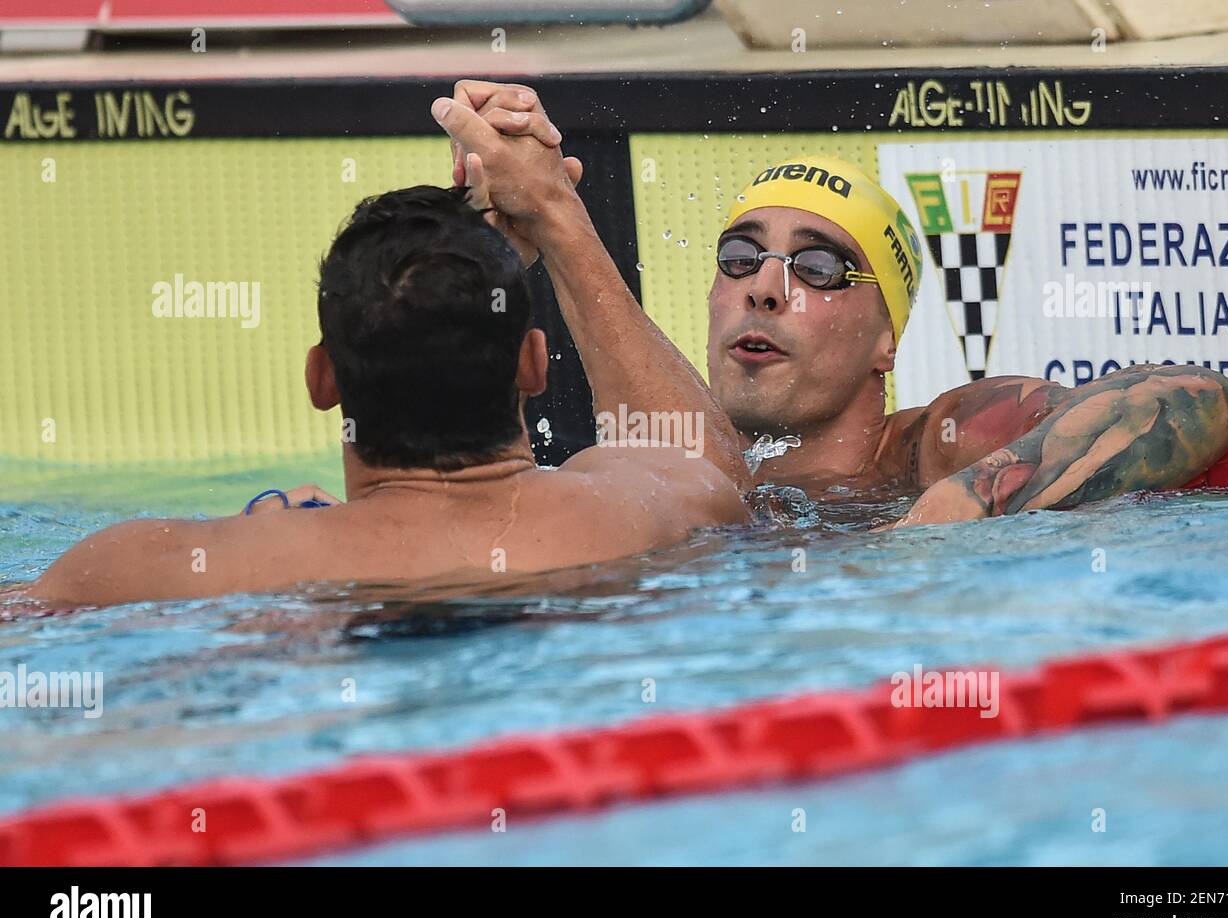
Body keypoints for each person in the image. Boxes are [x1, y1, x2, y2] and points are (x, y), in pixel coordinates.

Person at [433, 80, 1228, 528]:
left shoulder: (930, 449)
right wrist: (489, 257)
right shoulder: (637, 474)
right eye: (740, 257)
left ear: (885, 343)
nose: (765, 285)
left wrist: (954, 513)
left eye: (820, 267)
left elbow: (1196, 398)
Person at [27, 186, 748, 607]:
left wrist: (260, 531)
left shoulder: (154, 566)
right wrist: (558, 213)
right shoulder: (652, 505)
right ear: (533, 362)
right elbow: (710, 461)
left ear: (322, 380)